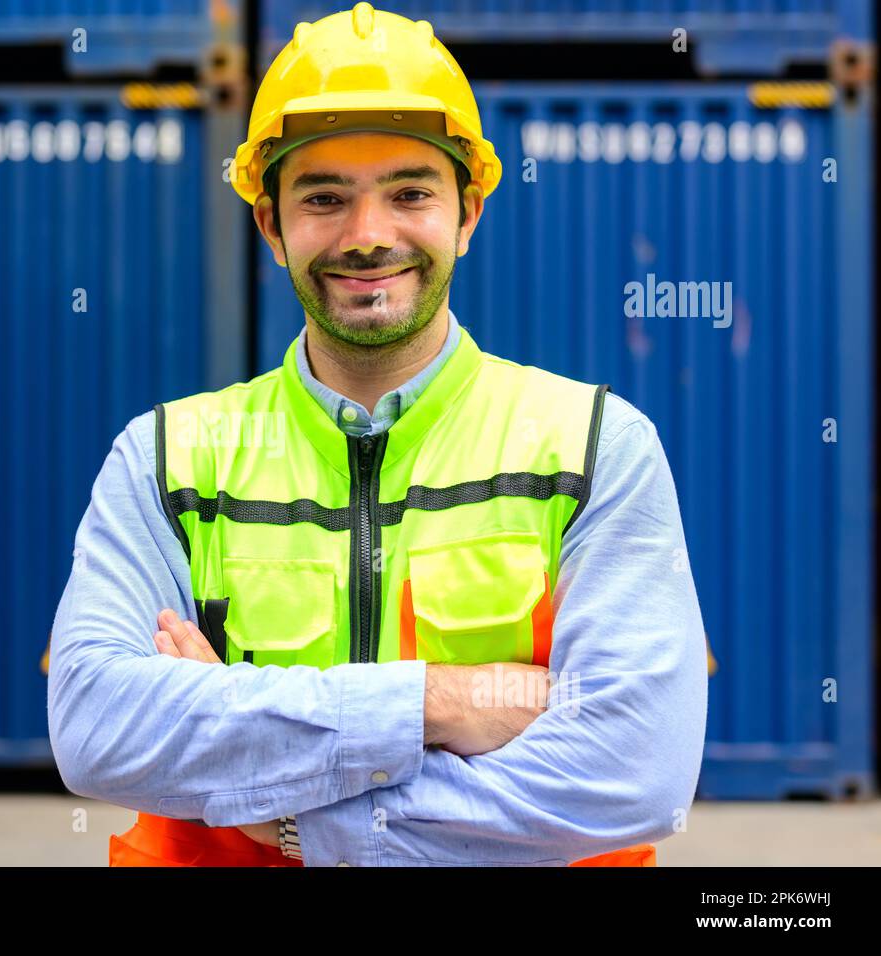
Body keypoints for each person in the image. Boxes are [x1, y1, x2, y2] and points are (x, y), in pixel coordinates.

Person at [48, 2, 707, 866]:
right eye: (324, 197)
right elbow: (97, 730)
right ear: (271, 227)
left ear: (466, 216)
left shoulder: (593, 448)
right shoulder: (169, 457)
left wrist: (295, 817)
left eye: (410, 193)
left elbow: (636, 771)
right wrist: (439, 703)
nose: (368, 237)